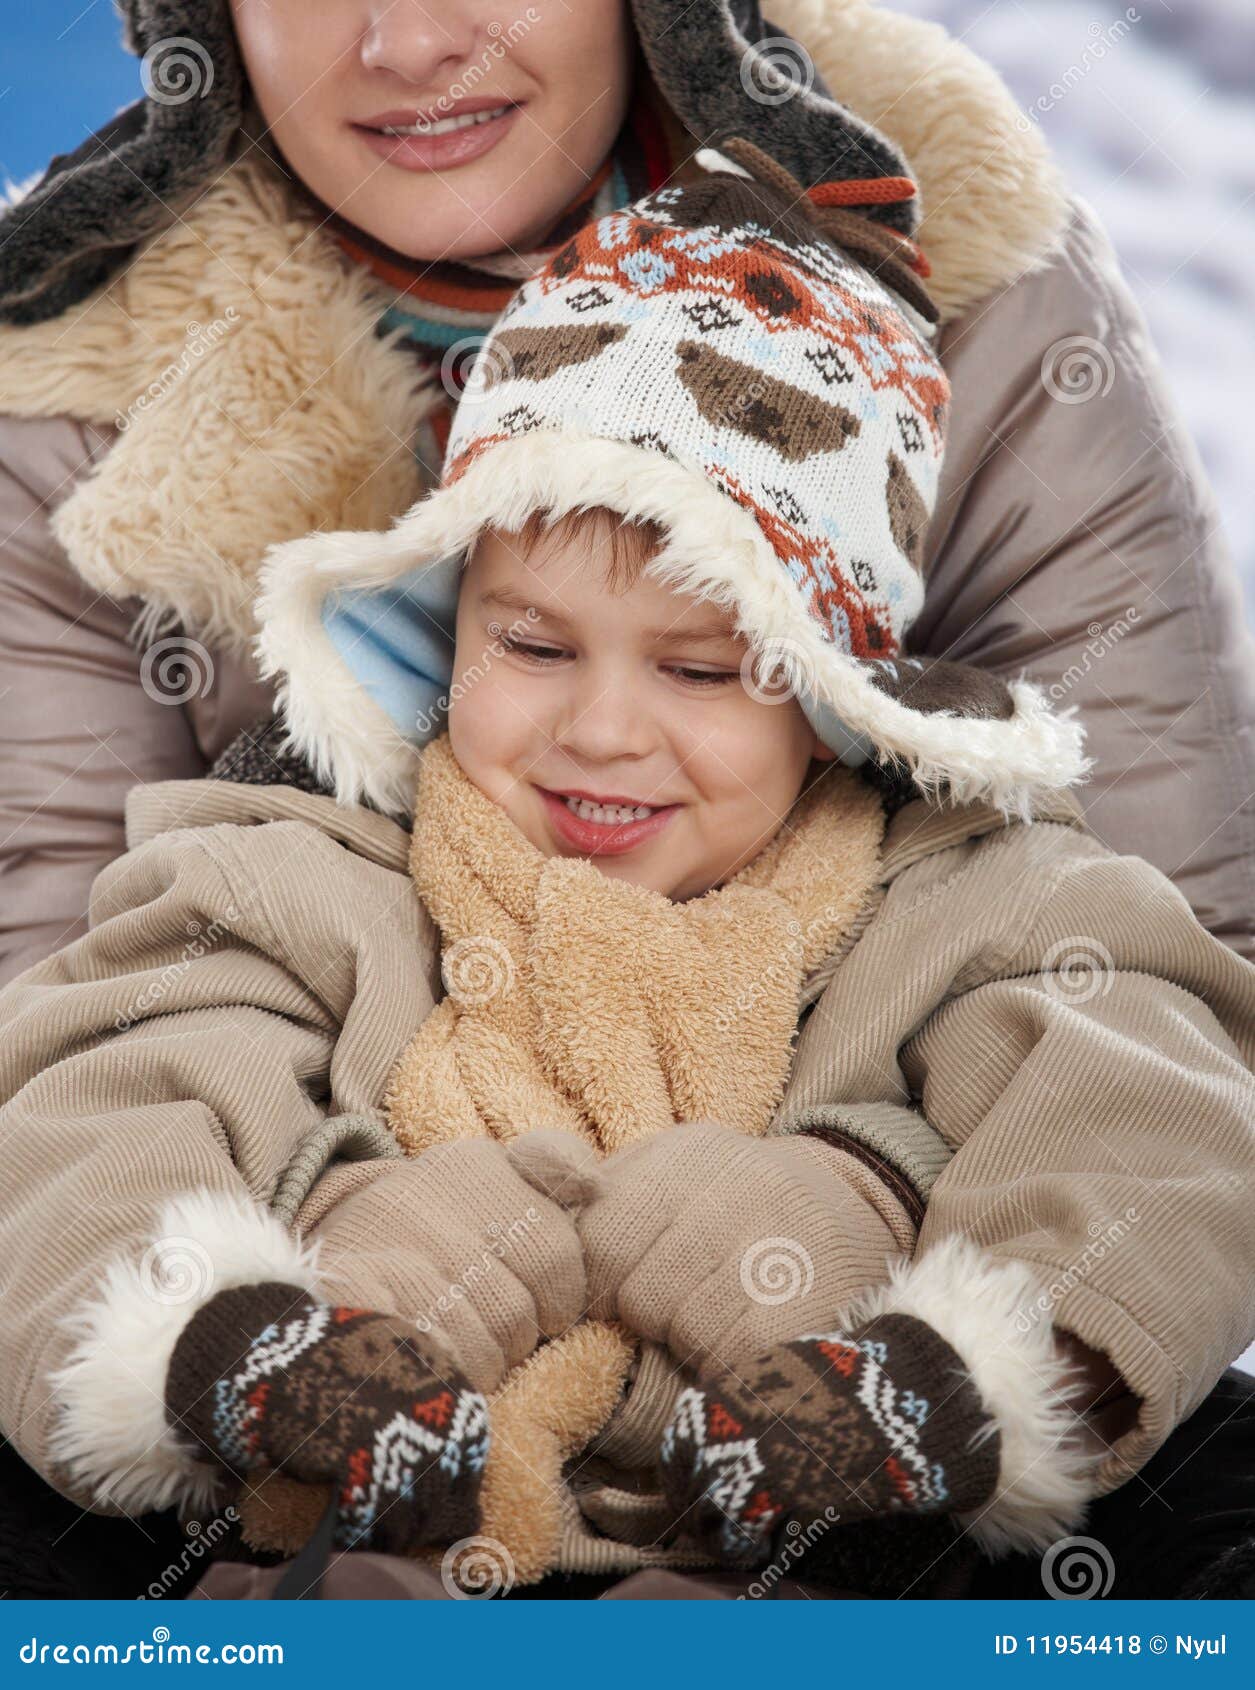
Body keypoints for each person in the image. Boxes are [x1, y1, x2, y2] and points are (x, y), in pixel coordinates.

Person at [1, 157, 1250, 1597]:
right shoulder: (295, 872)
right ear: (448, 625)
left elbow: (1149, 1123)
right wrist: (246, 1344)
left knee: (1205, 1475)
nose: (600, 730)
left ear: (828, 699)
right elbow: (109, 1099)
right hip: (354, 1539)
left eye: (701, 670)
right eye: (532, 647)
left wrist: (940, 1362)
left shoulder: (977, 904)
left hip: (823, 1558)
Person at [1, 1, 1252, 998]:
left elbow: (1165, 991)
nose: (411, 42)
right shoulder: (70, 411)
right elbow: (62, 1061)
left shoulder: (982, 280)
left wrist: (834, 1218)